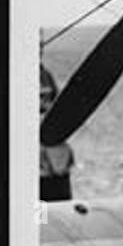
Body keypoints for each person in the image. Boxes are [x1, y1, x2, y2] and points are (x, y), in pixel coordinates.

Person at [39, 66, 74, 202]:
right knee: (39, 216)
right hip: (35, 165)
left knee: (59, 207)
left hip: (54, 157)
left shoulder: (45, 75)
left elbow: (57, 109)